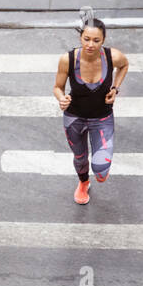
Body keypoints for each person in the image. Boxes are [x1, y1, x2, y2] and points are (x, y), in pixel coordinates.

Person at [53, 12, 129, 206]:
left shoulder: (113, 57)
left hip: (102, 118)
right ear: (80, 37)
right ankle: (83, 182)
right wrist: (62, 99)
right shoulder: (67, 59)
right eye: (86, 39)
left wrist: (115, 88)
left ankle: (95, 174)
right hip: (74, 118)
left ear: (103, 40)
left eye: (96, 40)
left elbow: (124, 65)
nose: (90, 45)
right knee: (79, 158)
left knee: (102, 171)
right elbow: (57, 87)